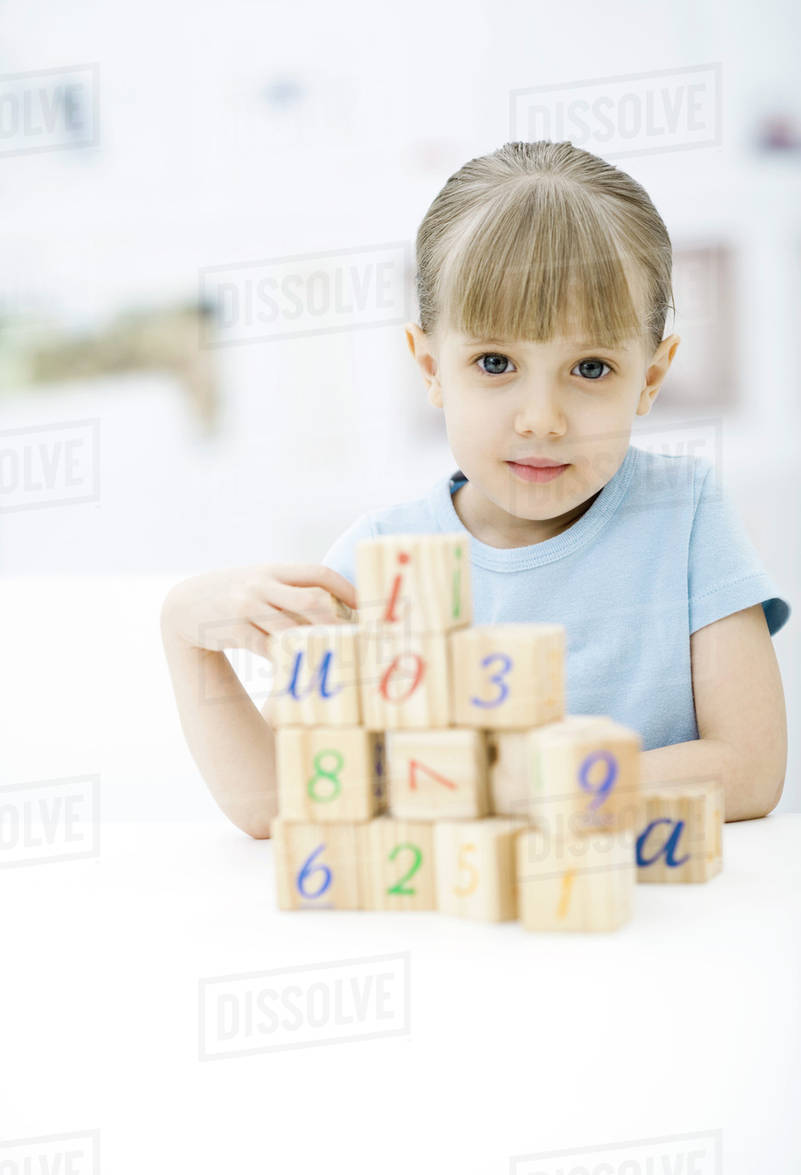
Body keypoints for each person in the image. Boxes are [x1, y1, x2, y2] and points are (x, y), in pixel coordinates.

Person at [160, 140, 790, 837]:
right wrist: (187, 634)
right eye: (495, 362)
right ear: (429, 366)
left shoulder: (685, 513)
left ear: (649, 377)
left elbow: (750, 769)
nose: (541, 420)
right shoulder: (380, 558)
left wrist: (518, 784)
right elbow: (277, 805)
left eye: (590, 368)